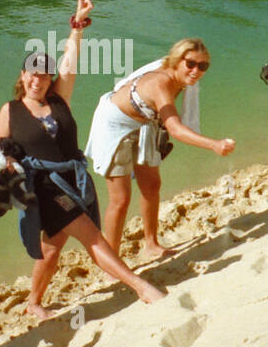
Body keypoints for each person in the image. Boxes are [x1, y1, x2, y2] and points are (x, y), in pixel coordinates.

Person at [0, 0, 165, 318]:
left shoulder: (58, 99)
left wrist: (78, 25)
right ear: (22, 76)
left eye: (45, 74)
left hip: (72, 178)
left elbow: (70, 62)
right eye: (32, 73)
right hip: (42, 187)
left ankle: (33, 303)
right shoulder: (9, 111)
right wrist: (9, 168)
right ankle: (140, 288)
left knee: (52, 246)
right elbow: (3, 150)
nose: (38, 79)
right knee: (90, 234)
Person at [87, 38, 236, 260]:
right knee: (120, 199)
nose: (196, 71)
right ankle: (111, 260)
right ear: (176, 61)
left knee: (152, 185)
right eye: (191, 64)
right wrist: (214, 144)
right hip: (114, 125)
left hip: (144, 123)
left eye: (203, 66)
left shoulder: (180, 78)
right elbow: (175, 129)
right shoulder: (161, 83)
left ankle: (151, 244)